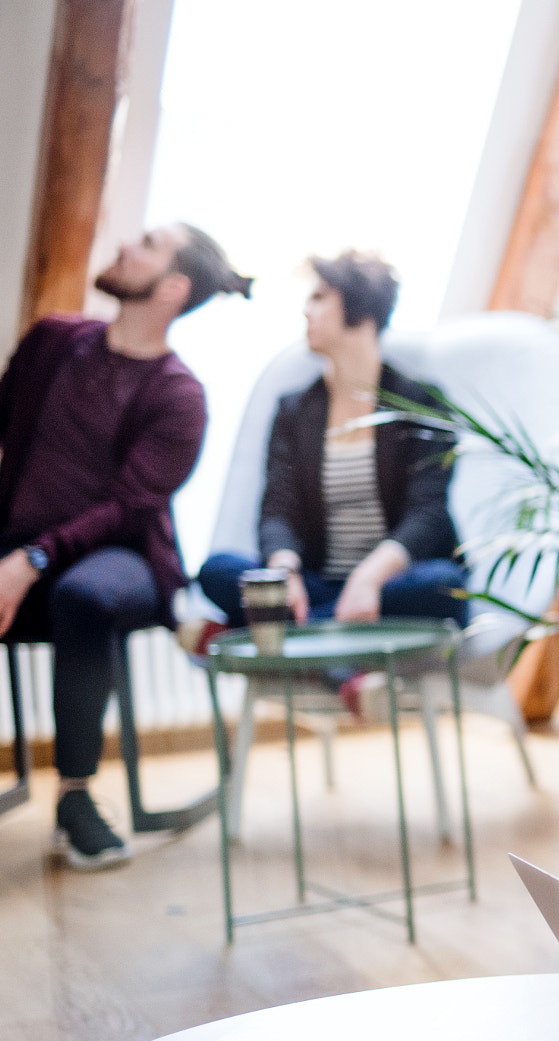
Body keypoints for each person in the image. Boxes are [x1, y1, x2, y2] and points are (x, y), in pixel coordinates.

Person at [0, 223, 251, 869]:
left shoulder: (179, 395)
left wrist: (30, 561)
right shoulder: (53, 340)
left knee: (84, 596)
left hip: (119, 560)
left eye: (147, 244)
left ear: (173, 287)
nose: (124, 246)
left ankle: (75, 797)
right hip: (16, 546)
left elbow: (125, 509)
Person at [197, 251, 464, 641]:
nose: (306, 311)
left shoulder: (422, 403)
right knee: (217, 570)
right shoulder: (293, 410)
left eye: (320, 298)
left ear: (362, 312)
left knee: (444, 584)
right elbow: (277, 509)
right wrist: (285, 573)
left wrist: (368, 578)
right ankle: (333, 639)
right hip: (317, 583)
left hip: (391, 581)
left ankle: (265, 634)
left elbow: (429, 514)